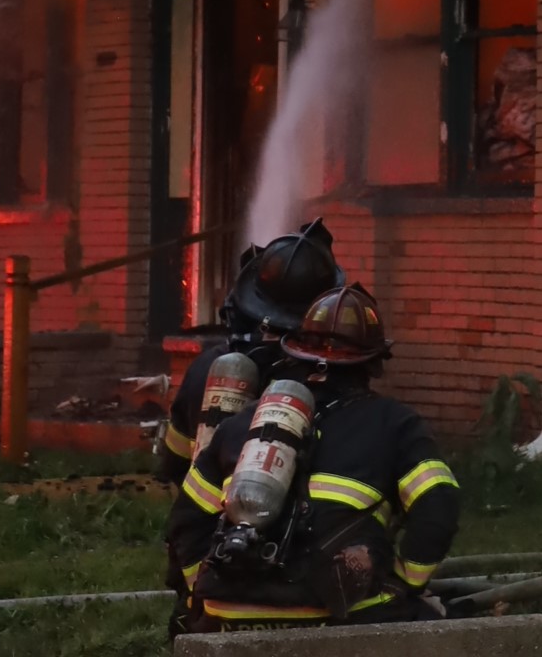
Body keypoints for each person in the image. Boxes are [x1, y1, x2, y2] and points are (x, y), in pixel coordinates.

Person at [168, 283, 461, 634]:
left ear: (295, 353)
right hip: (341, 616)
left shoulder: (243, 424)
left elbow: (186, 521)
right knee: (442, 628)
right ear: (372, 364)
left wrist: (198, 596)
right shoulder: (394, 423)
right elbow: (438, 503)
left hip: (228, 618)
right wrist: (405, 583)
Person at [154, 221, 345, 636]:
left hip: (205, 551)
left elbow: (174, 462)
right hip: (303, 570)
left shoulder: (209, 368)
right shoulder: (330, 378)